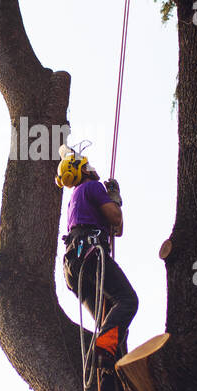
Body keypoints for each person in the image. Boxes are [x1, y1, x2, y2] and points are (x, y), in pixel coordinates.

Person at [57, 145, 138, 375]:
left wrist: (114, 201)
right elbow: (115, 217)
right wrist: (114, 199)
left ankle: (111, 373)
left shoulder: (76, 198)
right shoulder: (91, 187)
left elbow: (116, 228)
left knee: (111, 319)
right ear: (83, 169)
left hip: (74, 267)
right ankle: (103, 350)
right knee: (127, 300)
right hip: (91, 254)